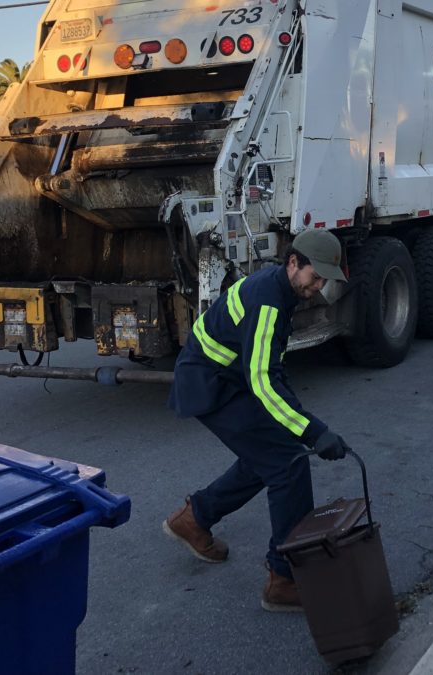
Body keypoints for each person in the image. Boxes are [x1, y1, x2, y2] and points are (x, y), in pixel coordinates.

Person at [164, 229, 351, 612]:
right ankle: (283, 578)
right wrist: (313, 431)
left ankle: (195, 518)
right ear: (293, 262)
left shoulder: (282, 290)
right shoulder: (269, 300)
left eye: (324, 281)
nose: (317, 287)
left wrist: (297, 422)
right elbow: (262, 381)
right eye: (314, 276)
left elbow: (270, 370)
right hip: (210, 384)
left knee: (269, 454)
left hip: (226, 378)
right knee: (289, 463)